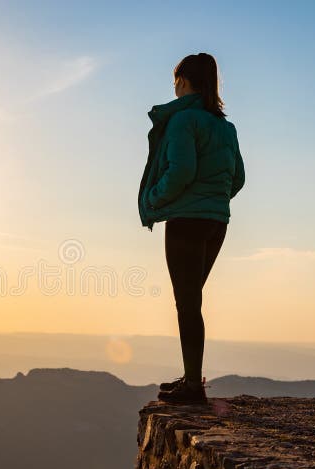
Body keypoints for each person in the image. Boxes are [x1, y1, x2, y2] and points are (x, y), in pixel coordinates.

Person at [137, 53, 245, 405]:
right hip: (217, 223)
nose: (175, 89)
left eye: (175, 83)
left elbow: (181, 170)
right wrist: (214, 200)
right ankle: (190, 377)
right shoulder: (226, 128)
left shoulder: (184, 121)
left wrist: (155, 197)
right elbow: (238, 178)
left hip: (186, 221)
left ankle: (193, 387)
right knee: (191, 299)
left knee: (187, 302)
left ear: (184, 82)